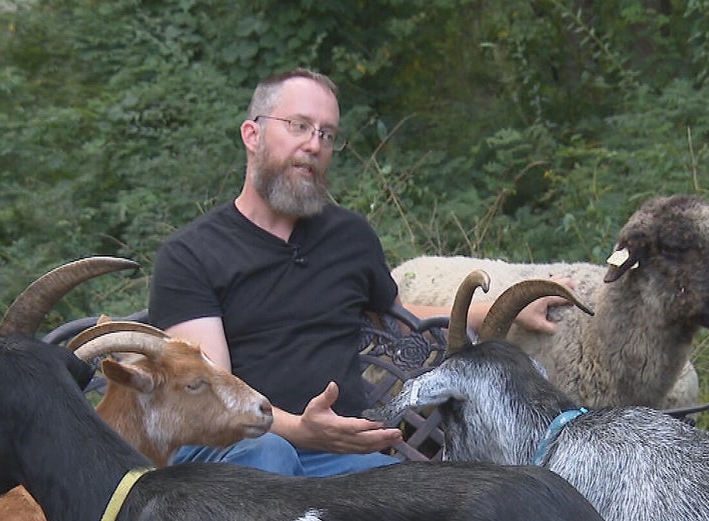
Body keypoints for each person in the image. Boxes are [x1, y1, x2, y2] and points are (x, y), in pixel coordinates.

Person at [149, 68, 564, 477]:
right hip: (232, 453)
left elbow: (400, 320)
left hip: (337, 456)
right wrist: (301, 431)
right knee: (270, 454)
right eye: (299, 126)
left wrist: (506, 309)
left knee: (414, 496)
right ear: (252, 135)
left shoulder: (348, 236)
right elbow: (208, 393)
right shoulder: (190, 255)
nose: (314, 144)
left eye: (327, 134)